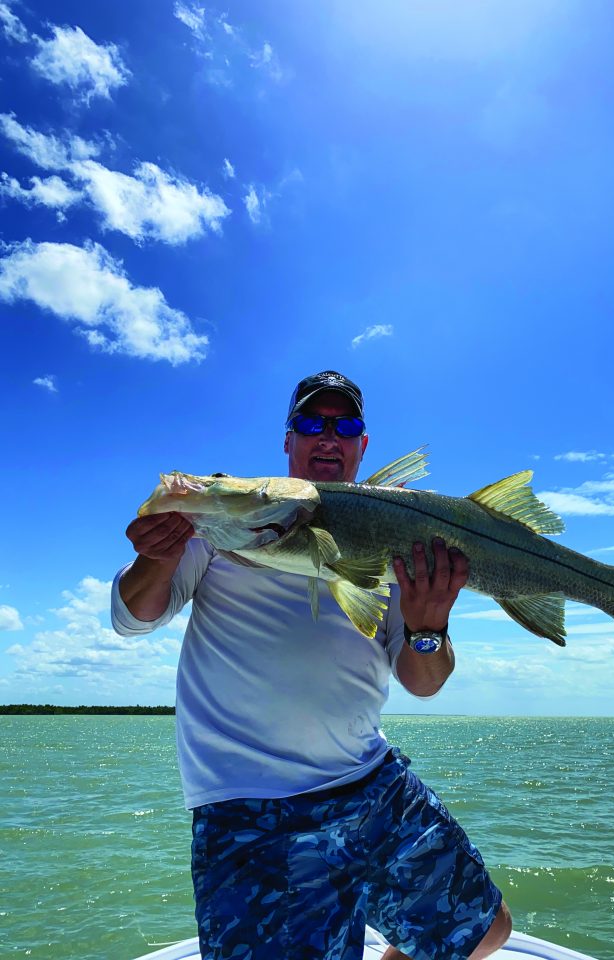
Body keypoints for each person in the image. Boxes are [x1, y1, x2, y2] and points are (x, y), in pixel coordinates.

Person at [112, 370, 512, 960]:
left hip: (371, 785)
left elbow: (422, 682)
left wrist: (429, 629)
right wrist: (157, 557)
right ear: (287, 440)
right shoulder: (218, 529)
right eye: (310, 422)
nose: (328, 435)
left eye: (345, 424)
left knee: (486, 930)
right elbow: (133, 618)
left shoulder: (394, 541)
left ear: (363, 446)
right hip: (250, 805)